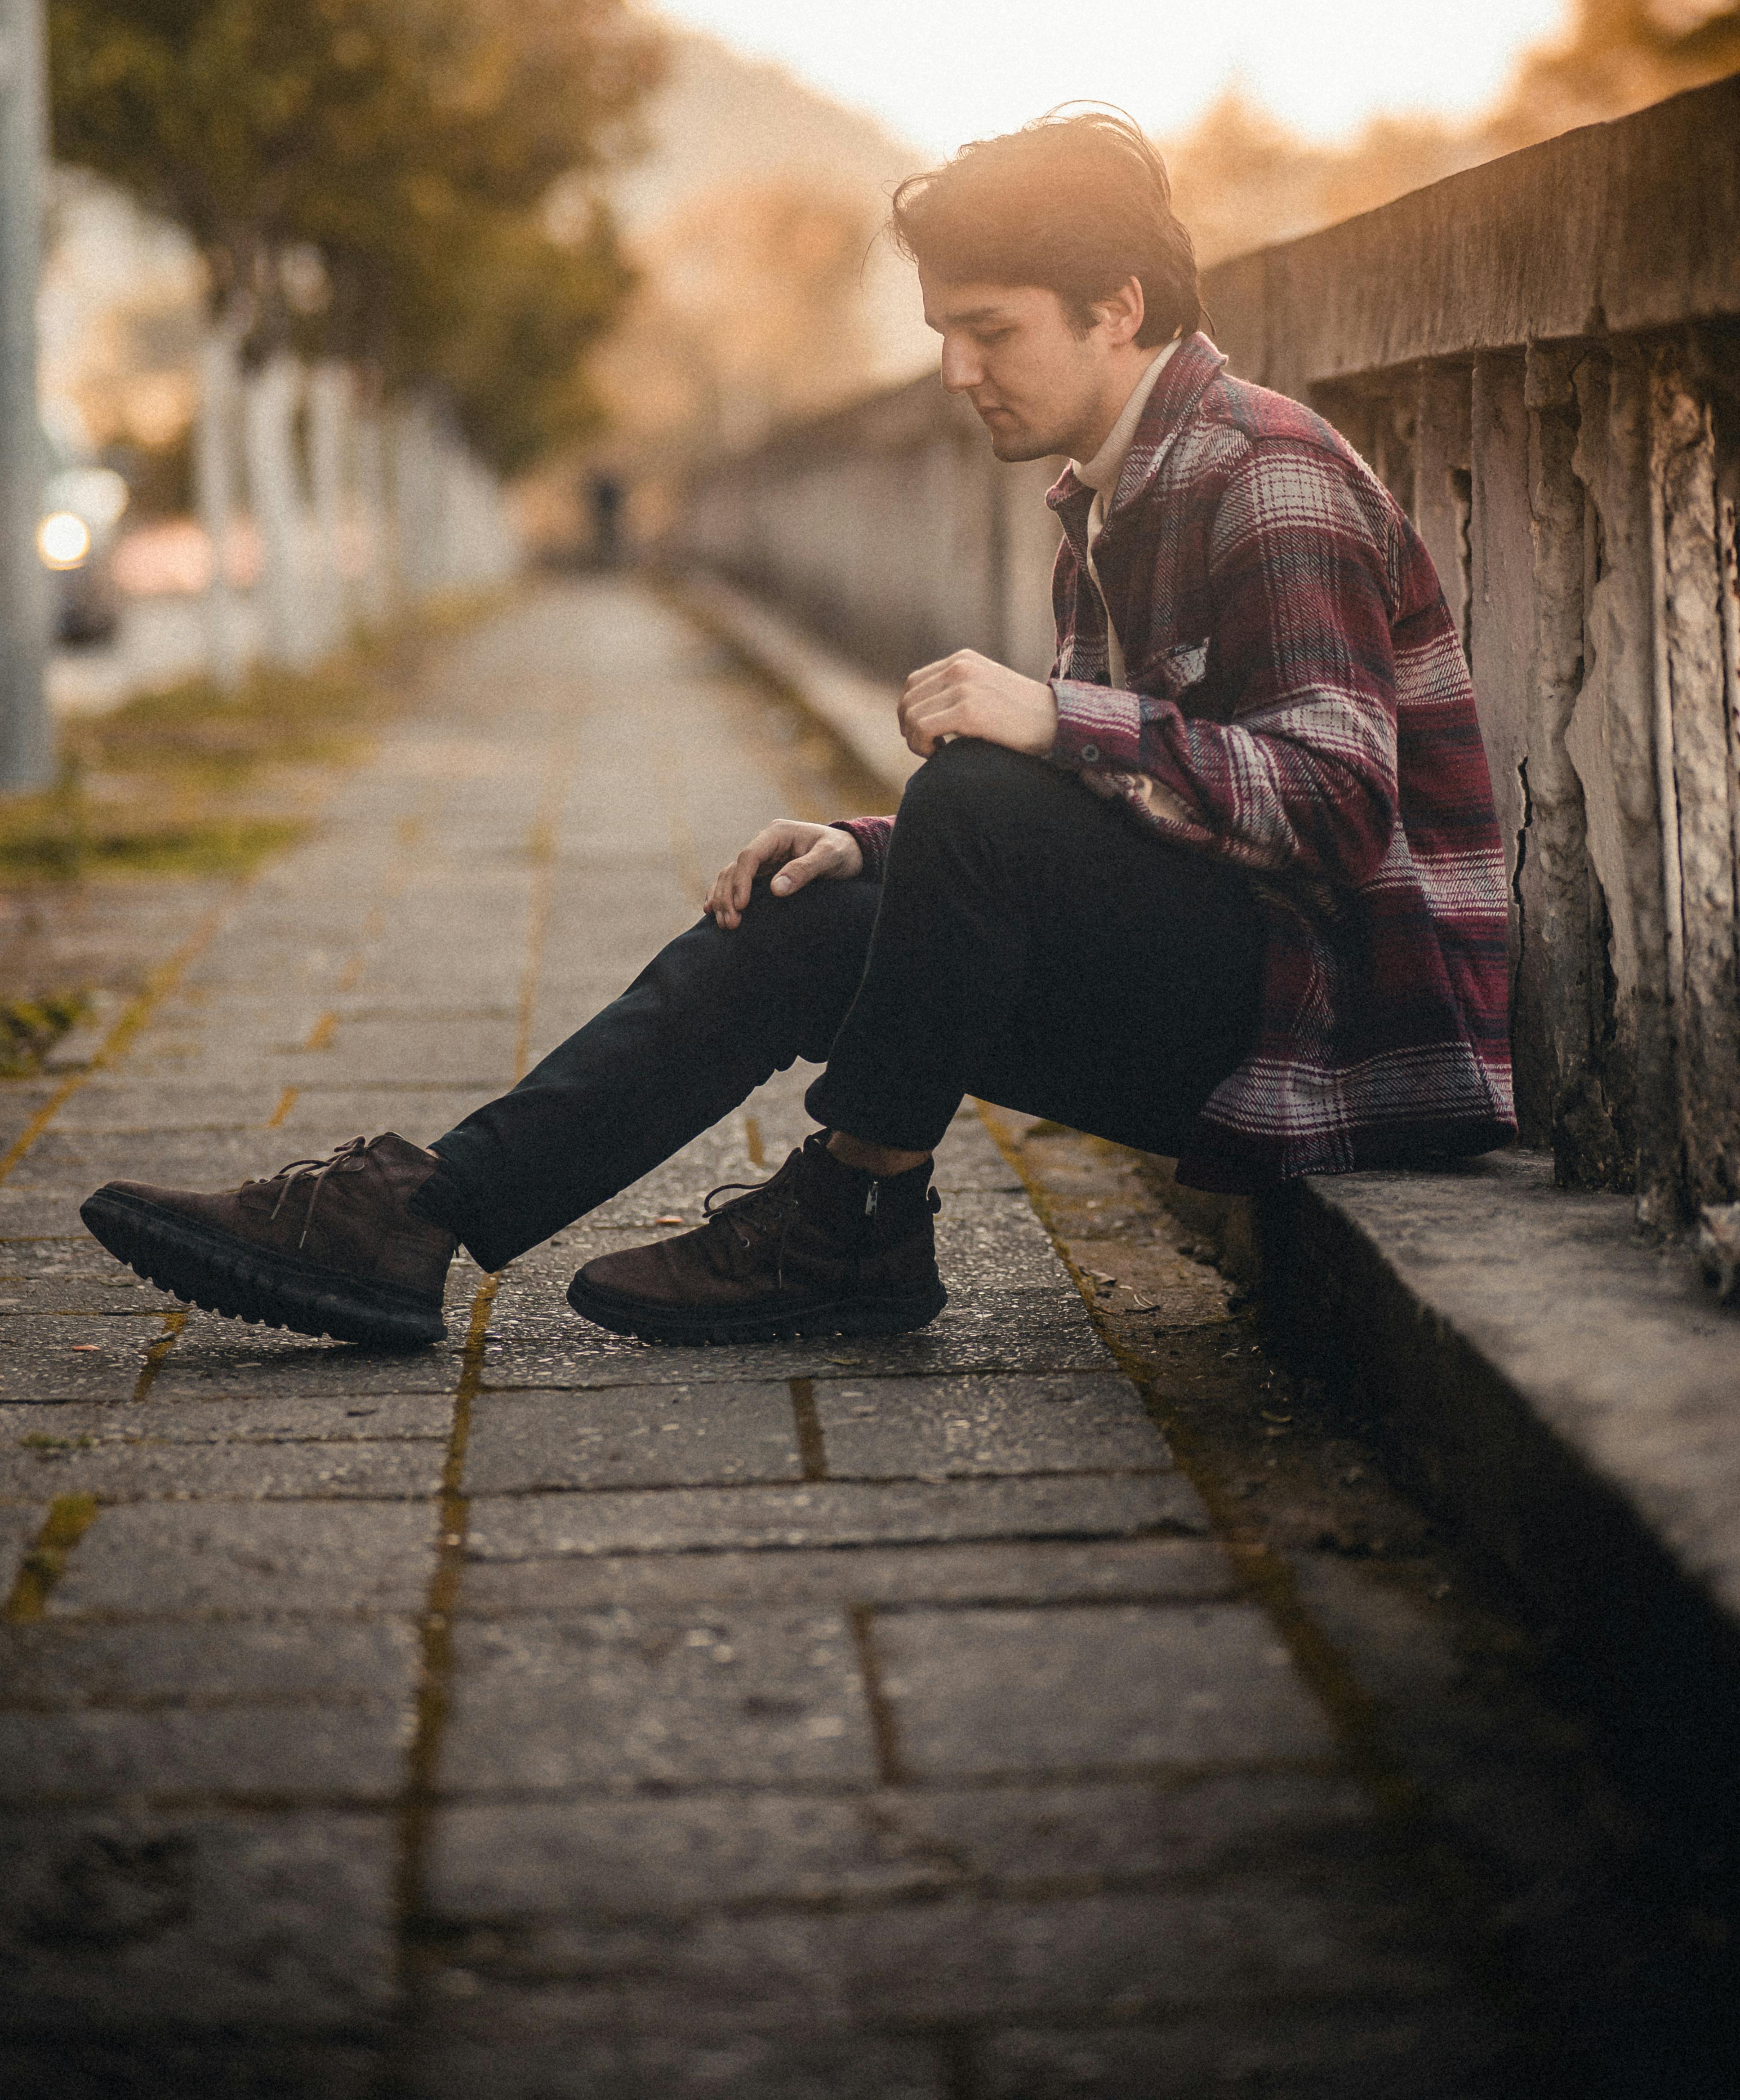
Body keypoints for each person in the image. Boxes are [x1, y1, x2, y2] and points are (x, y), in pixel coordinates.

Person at [80, 107, 1515, 1353]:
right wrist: (867, 842)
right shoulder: (1110, 491)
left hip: (1344, 1034)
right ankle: (420, 1217)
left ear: (1118, 308)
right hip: (1226, 986)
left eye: (990, 330)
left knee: (971, 795)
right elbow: (1123, 816)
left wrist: (1048, 719)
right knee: (816, 894)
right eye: (944, 333)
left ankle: (858, 1201)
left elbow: (1337, 809)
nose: (958, 371)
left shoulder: (1265, 474)